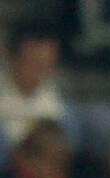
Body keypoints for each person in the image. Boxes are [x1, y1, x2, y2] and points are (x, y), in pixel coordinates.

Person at [0, 22, 78, 159]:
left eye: (47, 65)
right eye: (34, 64)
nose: (41, 74)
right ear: (11, 59)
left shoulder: (61, 108)